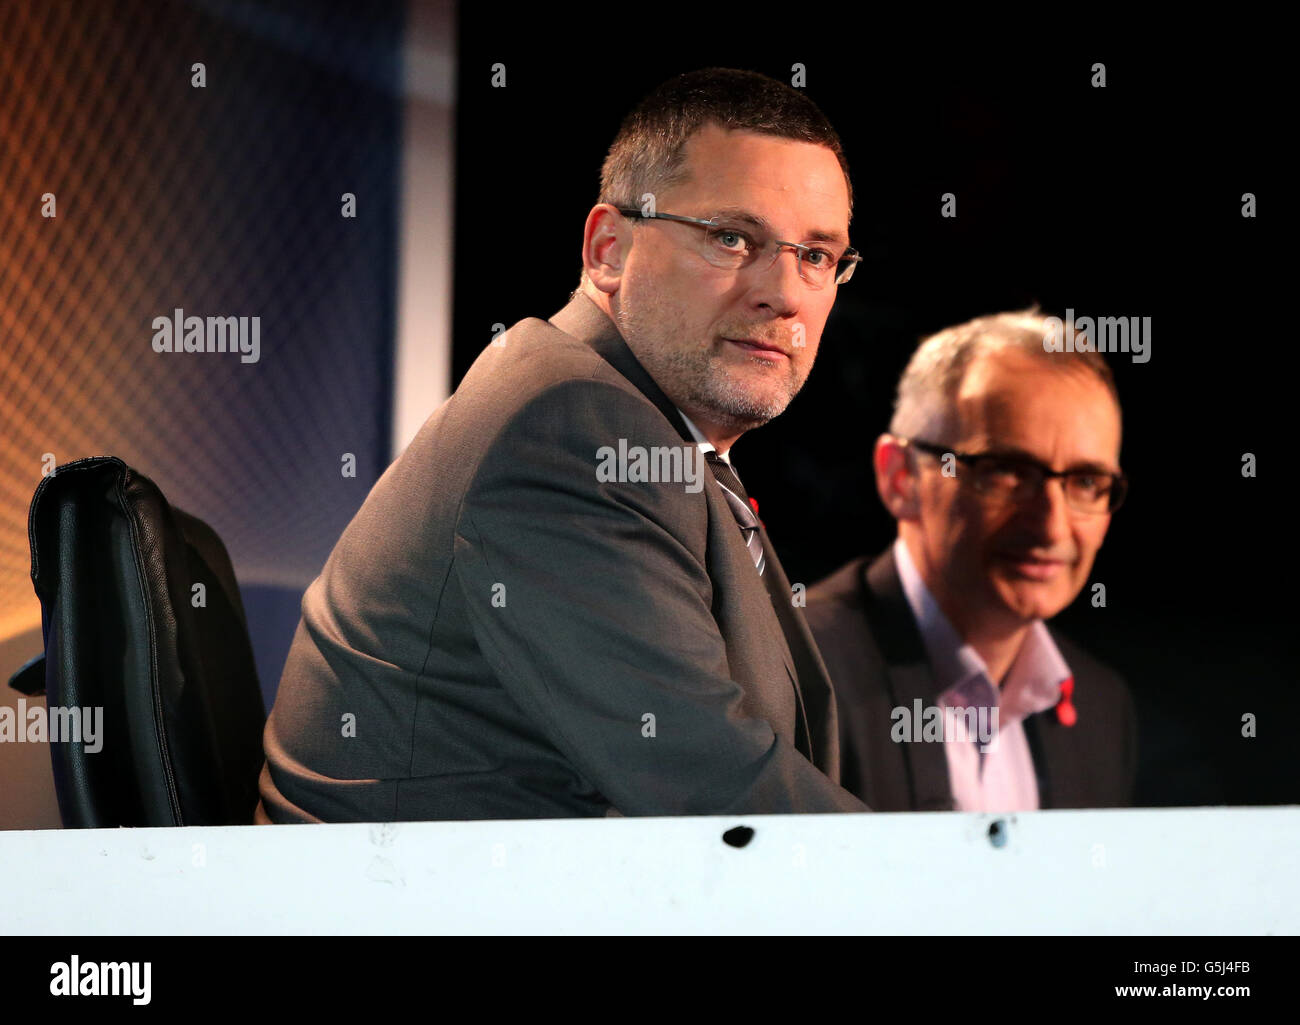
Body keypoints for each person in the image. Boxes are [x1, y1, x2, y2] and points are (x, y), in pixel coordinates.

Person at [256, 68, 870, 822]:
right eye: (731, 238)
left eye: (817, 255)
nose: (786, 292)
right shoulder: (570, 427)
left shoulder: (649, 433)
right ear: (609, 248)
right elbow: (713, 788)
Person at [806, 311, 1137, 812]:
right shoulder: (797, 671)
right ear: (901, 478)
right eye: (1007, 472)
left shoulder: (1102, 709)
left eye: (1086, 483)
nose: (1051, 526)